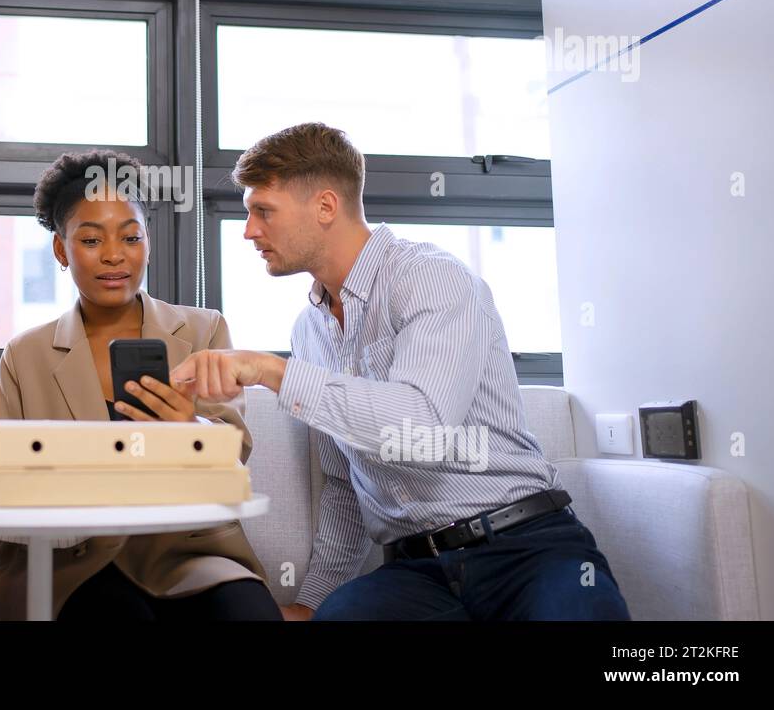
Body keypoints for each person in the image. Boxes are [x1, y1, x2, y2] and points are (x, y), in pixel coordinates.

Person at [170, 123, 631, 621]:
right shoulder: (310, 332)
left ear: (326, 206)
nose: (249, 230)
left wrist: (270, 371)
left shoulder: (430, 278)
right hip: (417, 575)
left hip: (526, 548)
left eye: (263, 211)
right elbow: (345, 483)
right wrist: (314, 601)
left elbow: (422, 429)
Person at [0, 149, 281, 620]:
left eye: (130, 237)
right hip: (71, 561)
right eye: (90, 240)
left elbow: (234, 455)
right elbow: (5, 479)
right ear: (61, 250)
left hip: (189, 553)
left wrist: (192, 427)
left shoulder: (202, 331)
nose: (113, 255)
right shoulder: (27, 355)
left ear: (147, 242)